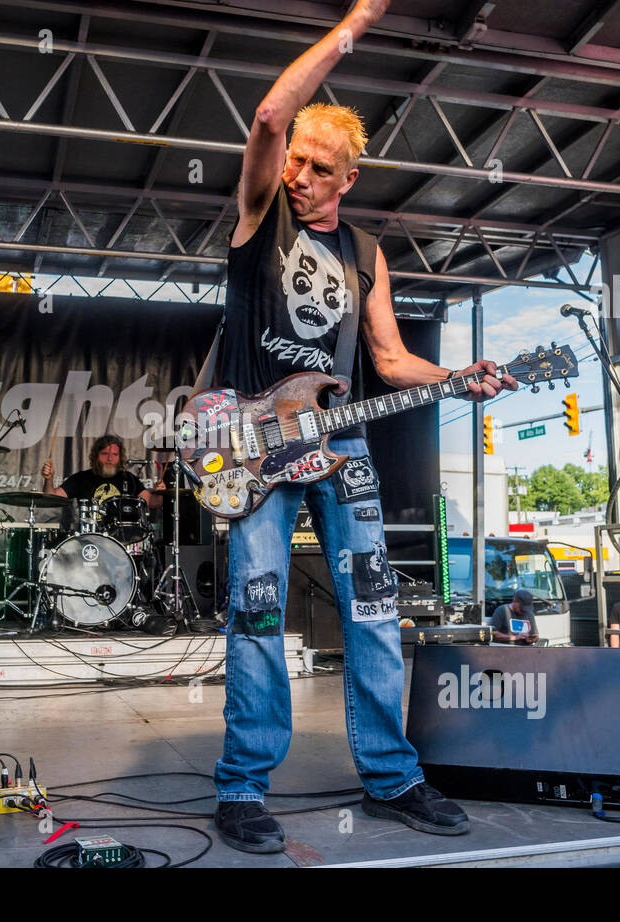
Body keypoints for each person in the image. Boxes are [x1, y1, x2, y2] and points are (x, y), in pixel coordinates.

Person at [207, 0, 516, 854]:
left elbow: (387, 359)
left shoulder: (366, 253)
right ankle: (240, 786)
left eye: (321, 167)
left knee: (375, 610)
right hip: (256, 441)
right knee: (261, 611)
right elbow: (270, 114)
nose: (302, 173)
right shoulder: (260, 216)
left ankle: (393, 773)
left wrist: (457, 376)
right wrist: (352, 26)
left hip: (342, 443)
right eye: (299, 160)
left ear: (349, 180)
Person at [40, 434, 166, 509]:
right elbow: (52, 497)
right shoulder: (81, 478)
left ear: (120, 457)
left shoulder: (128, 479)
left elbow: (153, 503)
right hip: (90, 539)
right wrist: (49, 479)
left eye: (115, 454)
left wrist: (160, 493)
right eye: (105, 454)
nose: (110, 459)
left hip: (121, 540)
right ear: (96, 456)